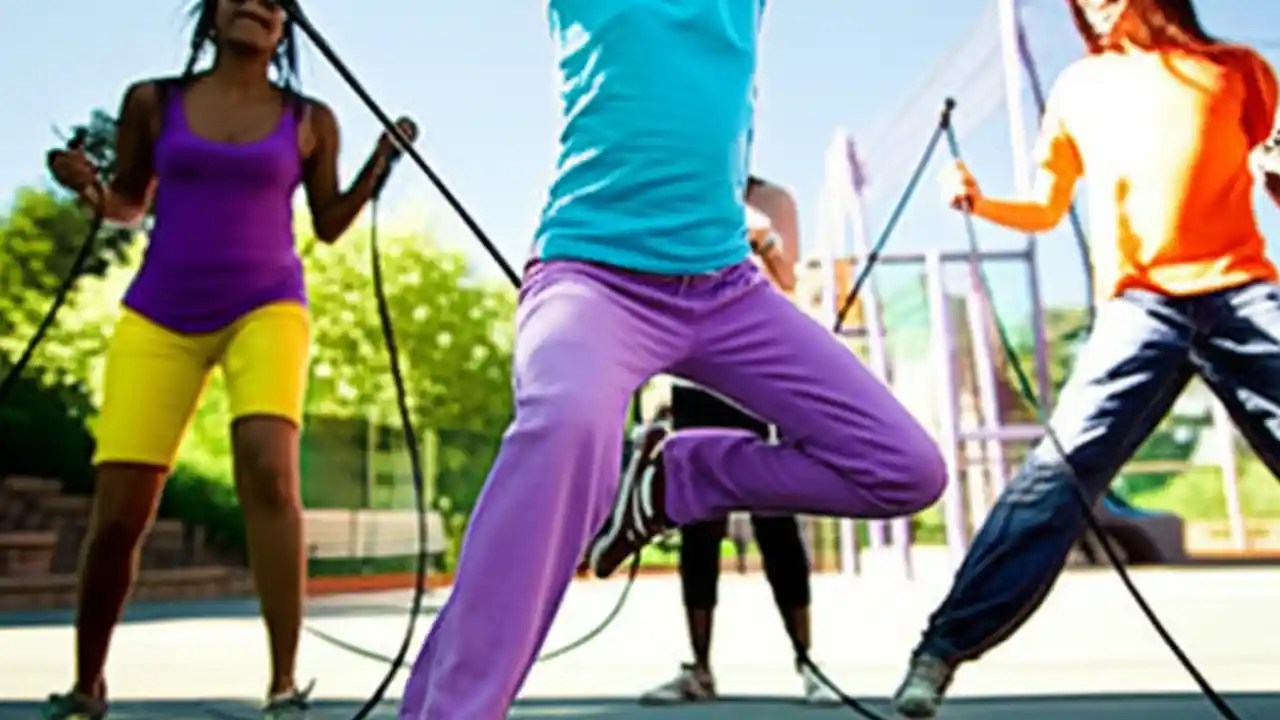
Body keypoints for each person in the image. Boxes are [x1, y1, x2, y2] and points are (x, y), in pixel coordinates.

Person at [398, 2, 948, 718]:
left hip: (728, 290)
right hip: (595, 277)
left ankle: (676, 481)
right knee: (563, 424)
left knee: (907, 468)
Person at [891, 1, 1280, 717]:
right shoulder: (1080, 87)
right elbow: (1045, 207)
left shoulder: (1239, 71)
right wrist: (979, 201)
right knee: (1053, 478)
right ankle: (938, 653)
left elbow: (1270, 172)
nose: (1091, 7)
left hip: (1240, 294)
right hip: (1139, 312)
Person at [43, 1, 412, 717]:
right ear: (210, 15)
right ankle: (86, 687)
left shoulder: (310, 118)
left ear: (285, 28)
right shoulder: (154, 102)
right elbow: (126, 203)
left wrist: (379, 162)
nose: (255, 6)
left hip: (266, 307)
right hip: (159, 312)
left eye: (273, 2)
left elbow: (330, 226)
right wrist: (86, 183)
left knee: (270, 472)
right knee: (121, 511)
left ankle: (283, 684)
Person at [640, 176, 837, 707]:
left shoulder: (774, 199)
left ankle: (810, 665)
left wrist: (762, 236)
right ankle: (700, 670)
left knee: (777, 523)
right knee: (699, 528)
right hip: (696, 376)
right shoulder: (682, 185)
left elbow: (788, 280)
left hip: (760, 374)